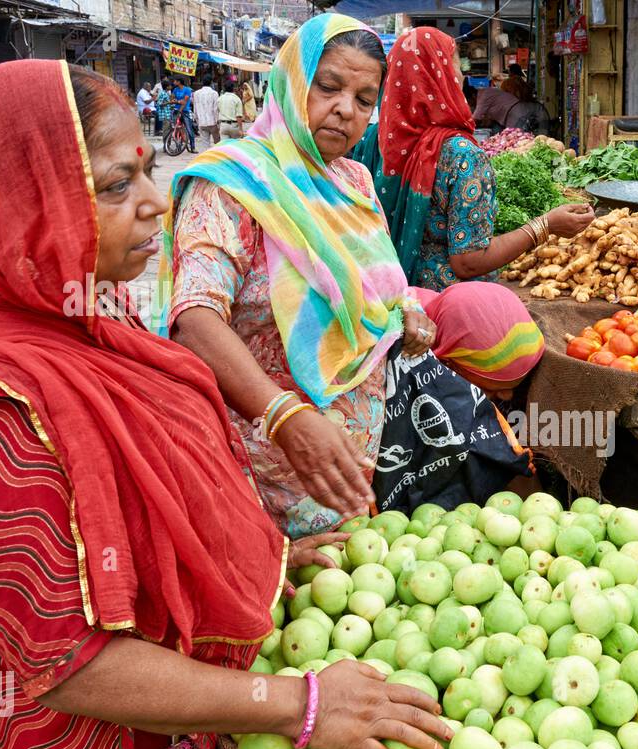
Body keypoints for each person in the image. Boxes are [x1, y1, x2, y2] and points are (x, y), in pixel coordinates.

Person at [0, 60, 449, 749]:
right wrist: (298, 704)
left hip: (164, 743)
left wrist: (255, 562)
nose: (157, 204)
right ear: (25, 200)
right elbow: (68, 663)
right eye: (116, 184)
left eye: (148, 174)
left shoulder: (95, 319)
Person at [157, 15, 542, 539]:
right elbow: (193, 321)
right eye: (329, 86)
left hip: (354, 461)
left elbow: (381, 279)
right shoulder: (231, 186)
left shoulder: (354, 180)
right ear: (293, 80)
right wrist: (284, 416)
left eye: (364, 99)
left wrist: (407, 312)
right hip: (261, 462)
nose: (345, 109)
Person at [353, 28, 592, 293]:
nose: (461, 75)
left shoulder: (371, 141)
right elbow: (468, 261)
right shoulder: (462, 155)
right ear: (439, 74)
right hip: (447, 305)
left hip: (383, 294)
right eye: (455, 65)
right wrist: (545, 225)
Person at [192, 76, 220, 149]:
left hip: (202, 122)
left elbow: (195, 109)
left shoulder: (196, 93)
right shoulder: (214, 93)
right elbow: (215, 109)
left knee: (205, 144)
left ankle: (206, 159)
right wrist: (218, 122)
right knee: (217, 143)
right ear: (211, 83)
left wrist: (197, 120)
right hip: (213, 122)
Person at [173, 78, 196, 152]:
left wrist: (178, 103)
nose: (174, 82)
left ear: (179, 82)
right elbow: (172, 99)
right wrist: (177, 102)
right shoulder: (175, 89)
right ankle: (178, 146)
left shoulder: (187, 90)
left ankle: (193, 147)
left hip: (185, 111)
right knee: (176, 130)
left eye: (175, 81)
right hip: (176, 111)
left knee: (189, 129)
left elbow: (185, 101)